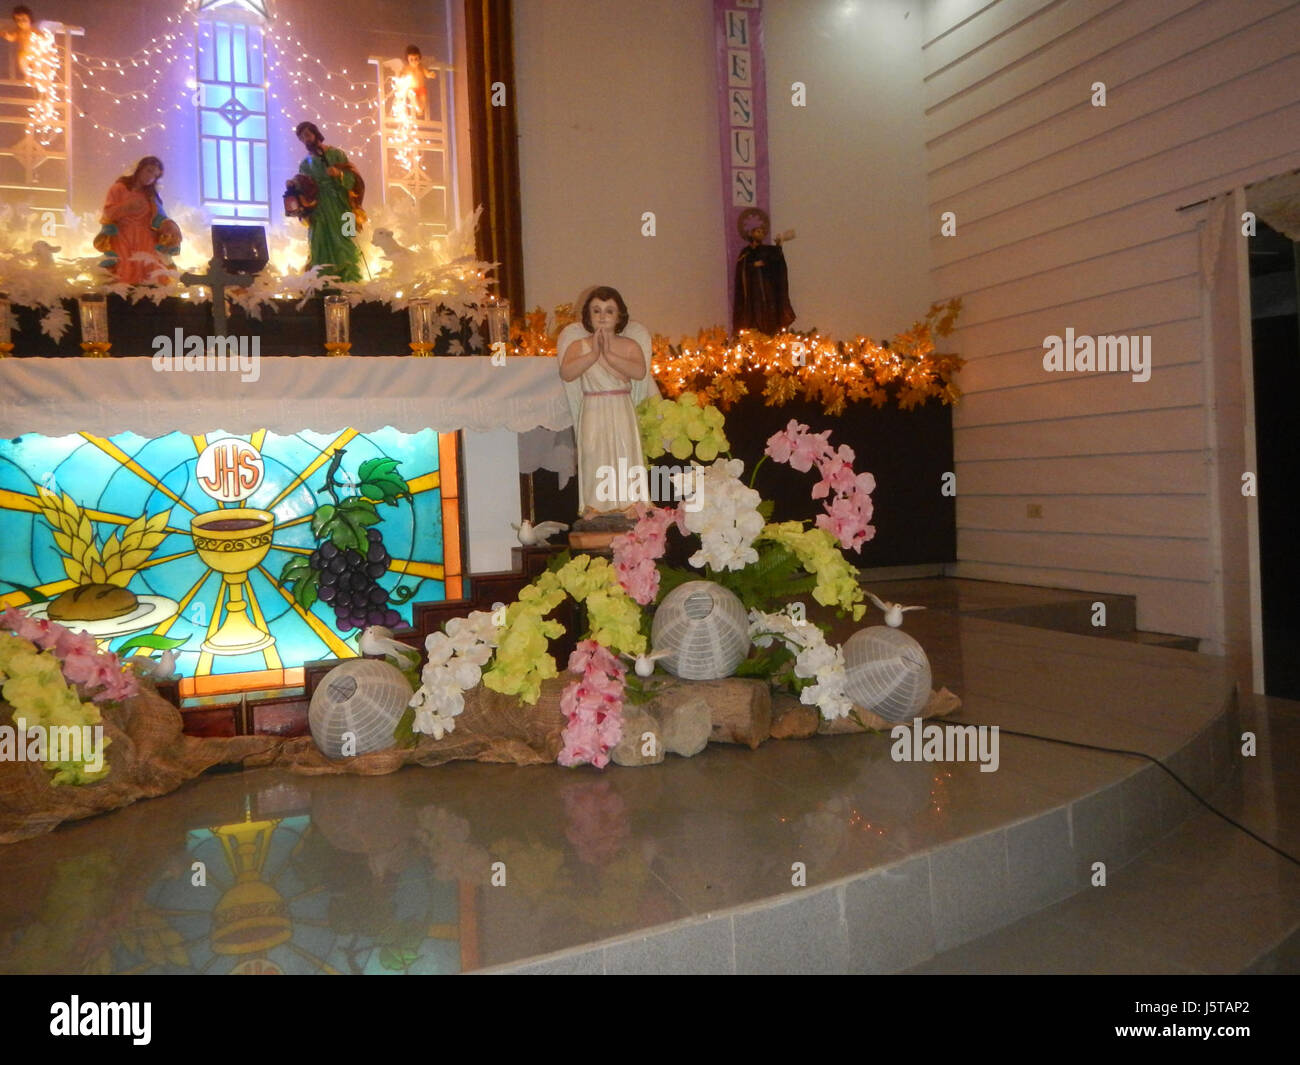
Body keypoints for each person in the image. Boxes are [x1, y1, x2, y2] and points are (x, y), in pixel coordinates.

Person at [557, 286, 658, 519]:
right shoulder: (578, 346)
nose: (602, 316)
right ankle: (595, 504)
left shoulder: (630, 345)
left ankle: (630, 503)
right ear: (588, 315)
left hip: (620, 406)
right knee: (593, 452)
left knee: (624, 450)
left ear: (619, 316)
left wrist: (607, 354)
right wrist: (592, 355)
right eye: (596, 311)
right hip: (593, 407)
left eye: (609, 311)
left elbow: (639, 372)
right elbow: (567, 373)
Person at [293, 121, 365, 283]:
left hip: (341, 204)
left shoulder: (336, 154)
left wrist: (339, 174)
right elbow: (303, 184)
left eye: (308, 135)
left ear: (316, 134)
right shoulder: (306, 164)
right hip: (319, 208)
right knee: (319, 241)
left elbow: (353, 178)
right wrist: (294, 184)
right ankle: (322, 280)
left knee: (345, 237)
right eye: (302, 138)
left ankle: (348, 280)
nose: (306, 140)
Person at [93, 156, 182, 285]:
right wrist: (126, 207)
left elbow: (160, 216)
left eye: (155, 176)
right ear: (139, 169)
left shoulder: (150, 196)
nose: (151, 177)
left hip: (145, 238)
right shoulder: (119, 188)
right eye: (149, 171)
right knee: (125, 270)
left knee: (153, 269)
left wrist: (169, 225)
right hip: (123, 236)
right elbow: (108, 213)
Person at [733, 207, 796, 336]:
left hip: (767, 290)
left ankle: (769, 334)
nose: (761, 234)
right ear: (751, 234)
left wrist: (779, 245)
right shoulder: (745, 252)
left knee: (769, 312)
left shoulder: (766, 250)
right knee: (755, 313)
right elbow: (742, 268)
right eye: (758, 231)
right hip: (753, 291)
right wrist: (753, 265)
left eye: (762, 232)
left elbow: (775, 259)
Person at [401, 45, 429, 120]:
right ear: (408, 60)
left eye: (416, 59)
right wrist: (402, 77)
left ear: (419, 58)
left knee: (423, 101)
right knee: (414, 98)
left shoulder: (421, 67)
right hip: (412, 89)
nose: (414, 61)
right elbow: (402, 74)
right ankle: (418, 108)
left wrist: (429, 74)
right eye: (411, 59)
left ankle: (420, 110)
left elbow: (426, 73)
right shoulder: (407, 68)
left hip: (421, 87)